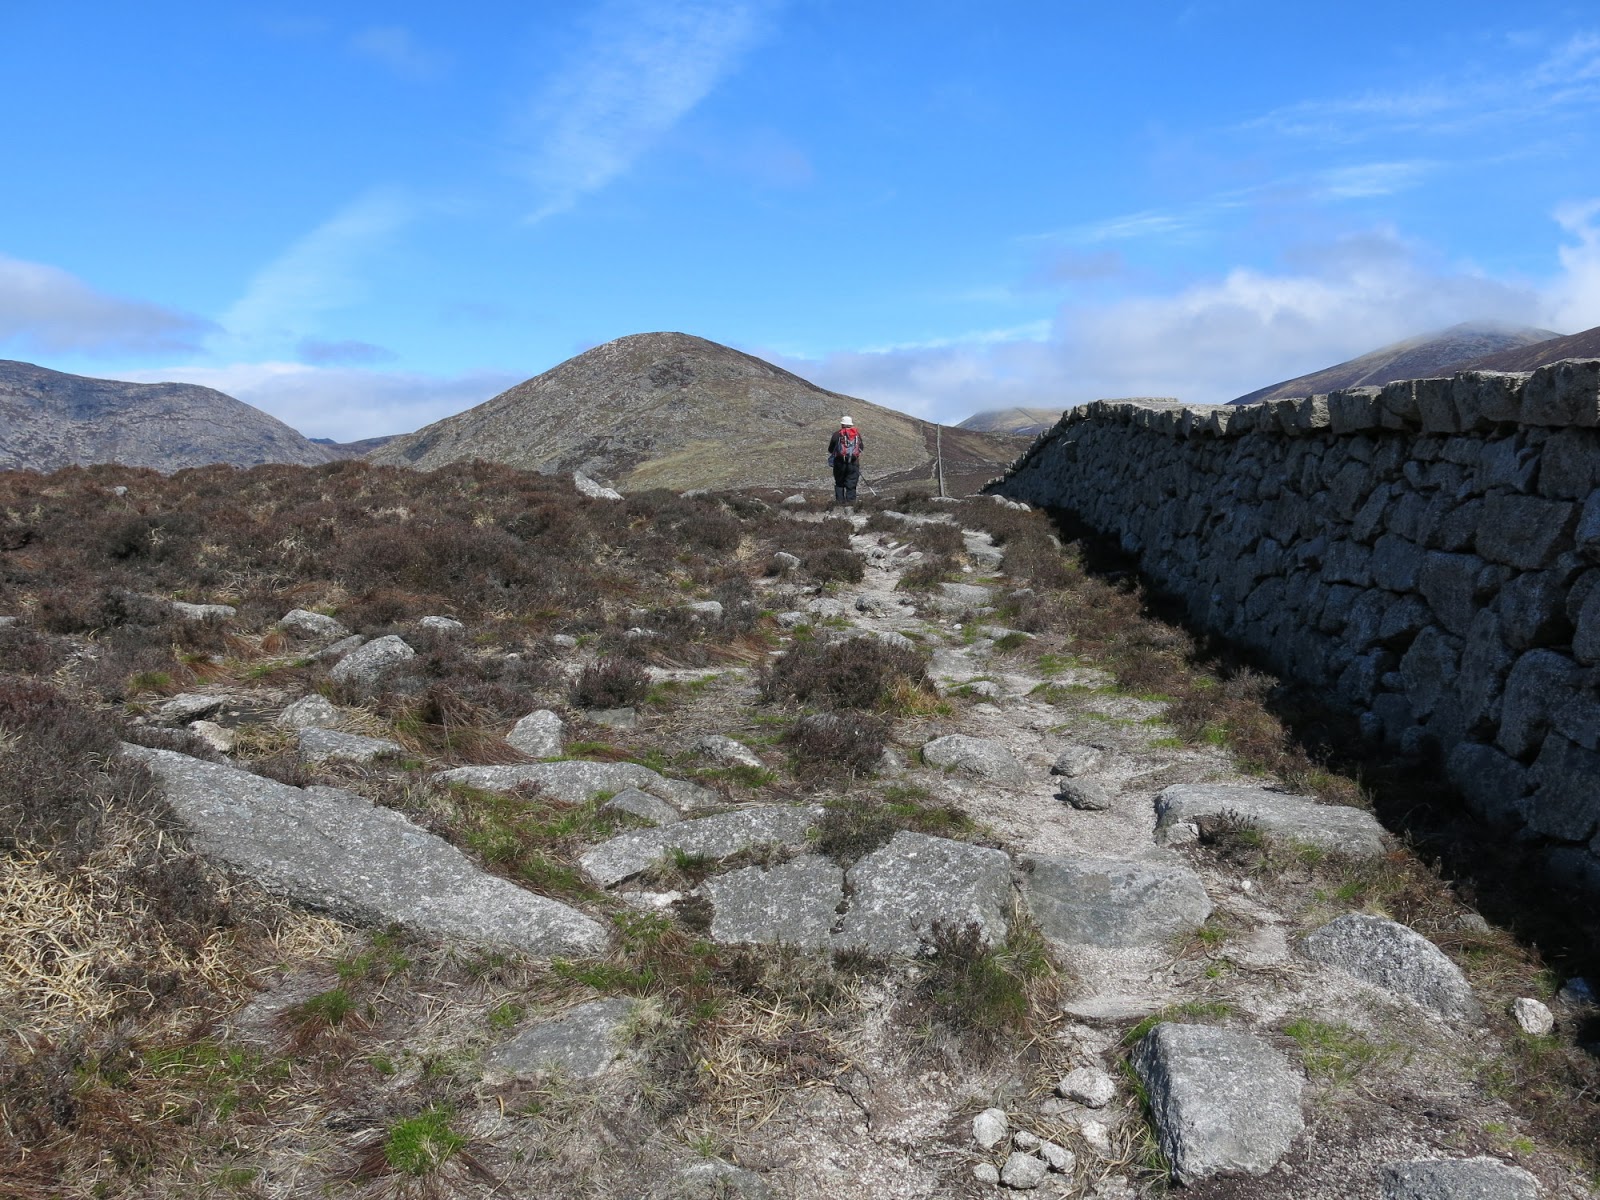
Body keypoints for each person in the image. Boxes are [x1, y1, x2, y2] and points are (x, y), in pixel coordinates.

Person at [828, 415, 863, 507]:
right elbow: (861, 448)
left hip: (839, 463)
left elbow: (831, 449)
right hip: (853, 463)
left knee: (839, 483)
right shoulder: (857, 435)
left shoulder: (837, 434)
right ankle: (850, 506)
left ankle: (839, 505)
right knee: (851, 484)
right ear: (851, 424)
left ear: (842, 424)